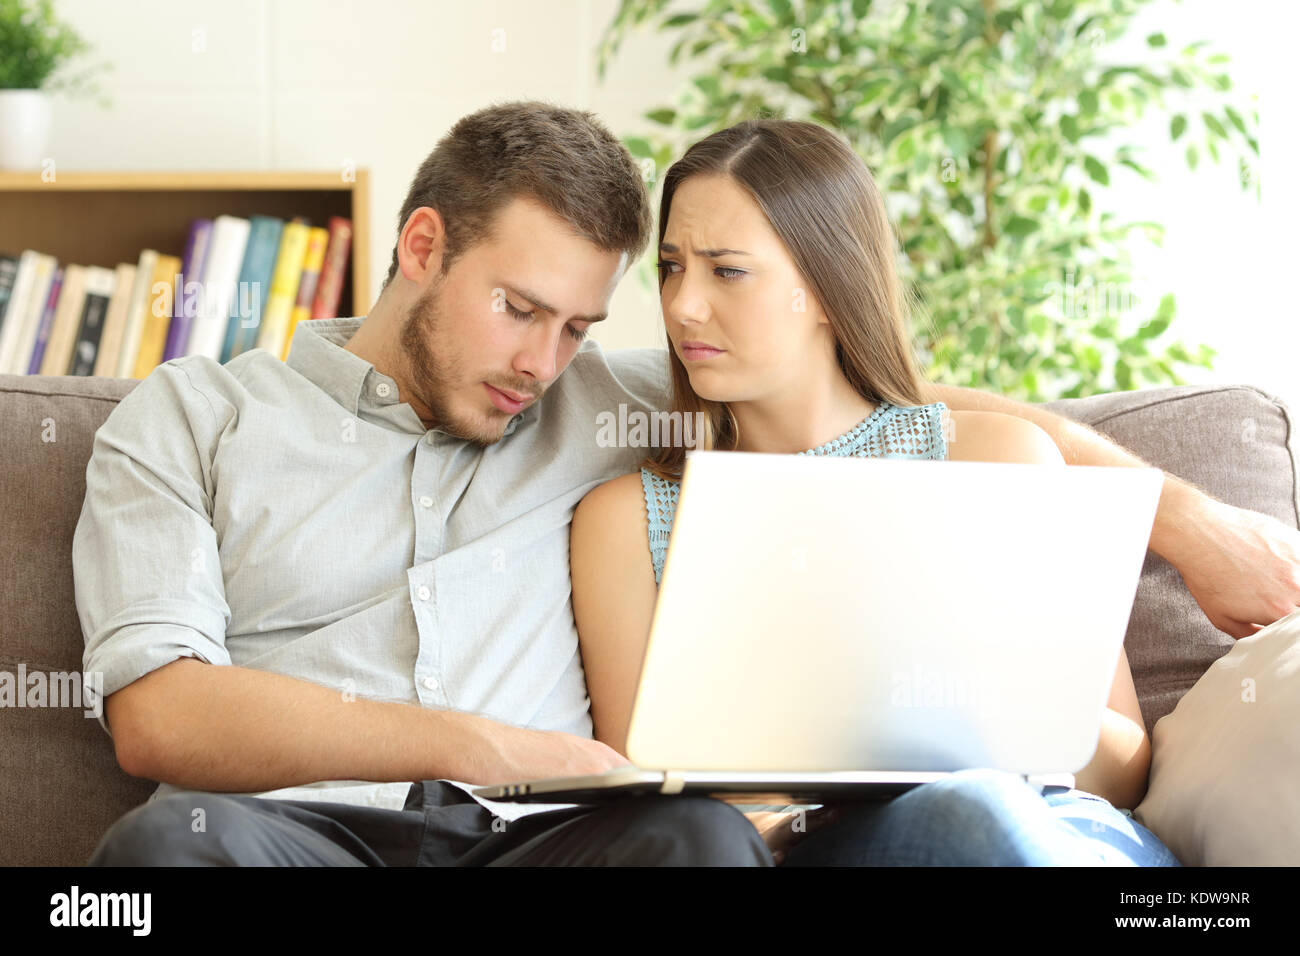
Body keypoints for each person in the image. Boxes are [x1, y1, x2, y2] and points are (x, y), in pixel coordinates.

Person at [76, 101, 1300, 867]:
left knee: (703, 837)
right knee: (161, 850)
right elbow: (161, 714)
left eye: (577, 325)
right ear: (420, 248)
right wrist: (505, 746)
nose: (541, 362)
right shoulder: (191, 416)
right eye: (518, 310)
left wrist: (1182, 517)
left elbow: (899, 412)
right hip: (298, 829)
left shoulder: (595, 391)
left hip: (550, 844)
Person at [568, 118, 1177, 866]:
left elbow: (1122, 770)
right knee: (965, 819)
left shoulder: (996, 460)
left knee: (984, 812)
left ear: (827, 289)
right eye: (670, 267)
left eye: (726, 271)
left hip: (1058, 830)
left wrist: (987, 703)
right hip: (844, 850)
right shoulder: (627, 520)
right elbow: (653, 807)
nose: (682, 305)